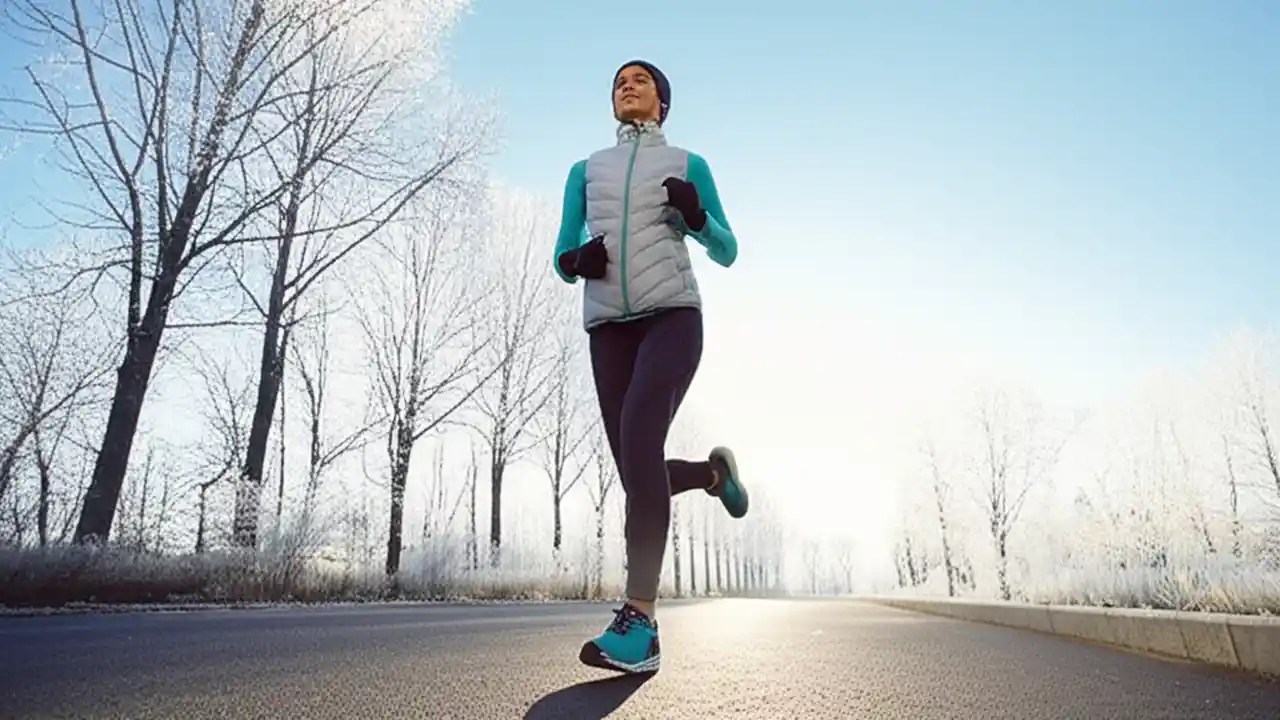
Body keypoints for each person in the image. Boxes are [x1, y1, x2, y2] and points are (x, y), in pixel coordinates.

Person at [551, 59, 749, 675]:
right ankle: (713, 475)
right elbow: (562, 253)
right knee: (637, 472)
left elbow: (727, 249)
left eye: (640, 80)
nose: (627, 86)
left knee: (640, 438)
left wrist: (697, 217)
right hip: (609, 331)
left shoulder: (690, 164)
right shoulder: (585, 172)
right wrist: (576, 261)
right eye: (619, 82)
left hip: (672, 318)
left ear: (662, 102)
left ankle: (640, 623)